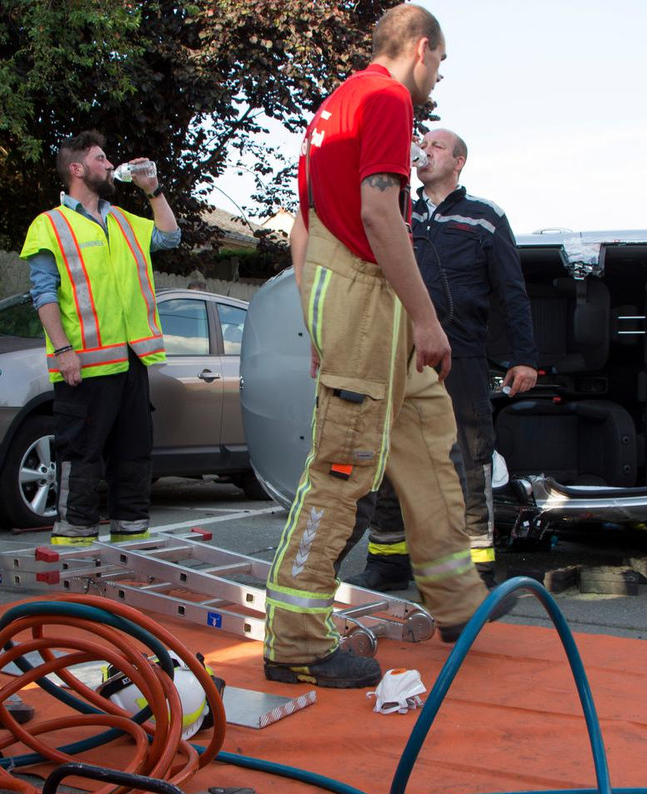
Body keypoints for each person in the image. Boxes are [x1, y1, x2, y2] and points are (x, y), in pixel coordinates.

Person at [264, 4, 514, 690]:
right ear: (422, 48)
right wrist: (426, 320)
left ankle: (459, 604)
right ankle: (295, 641)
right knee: (343, 469)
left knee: (430, 437)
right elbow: (378, 212)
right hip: (369, 298)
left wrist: (324, 325)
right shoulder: (383, 99)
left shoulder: (335, 105)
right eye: (440, 64)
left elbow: (304, 225)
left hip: (356, 300)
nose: (437, 79)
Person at [347, 128, 537, 591]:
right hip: (395, 355)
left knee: (468, 457)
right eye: (422, 144)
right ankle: (389, 559)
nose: (424, 151)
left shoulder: (485, 217)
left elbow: (512, 291)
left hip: (462, 356)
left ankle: (476, 566)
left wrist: (524, 357)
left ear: (458, 162)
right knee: (388, 454)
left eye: (436, 146)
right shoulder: (394, 211)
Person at [19, 131, 180, 546]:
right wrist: (64, 351)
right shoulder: (50, 225)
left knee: (133, 455)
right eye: (101, 158)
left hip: (131, 361)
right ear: (77, 169)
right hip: (83, 365)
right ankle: (74, 541)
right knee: (81, 455)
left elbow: (169, 236)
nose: (110, 165)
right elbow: (43, 294)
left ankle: (132, 542)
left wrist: (153, 189)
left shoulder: (124, 220)